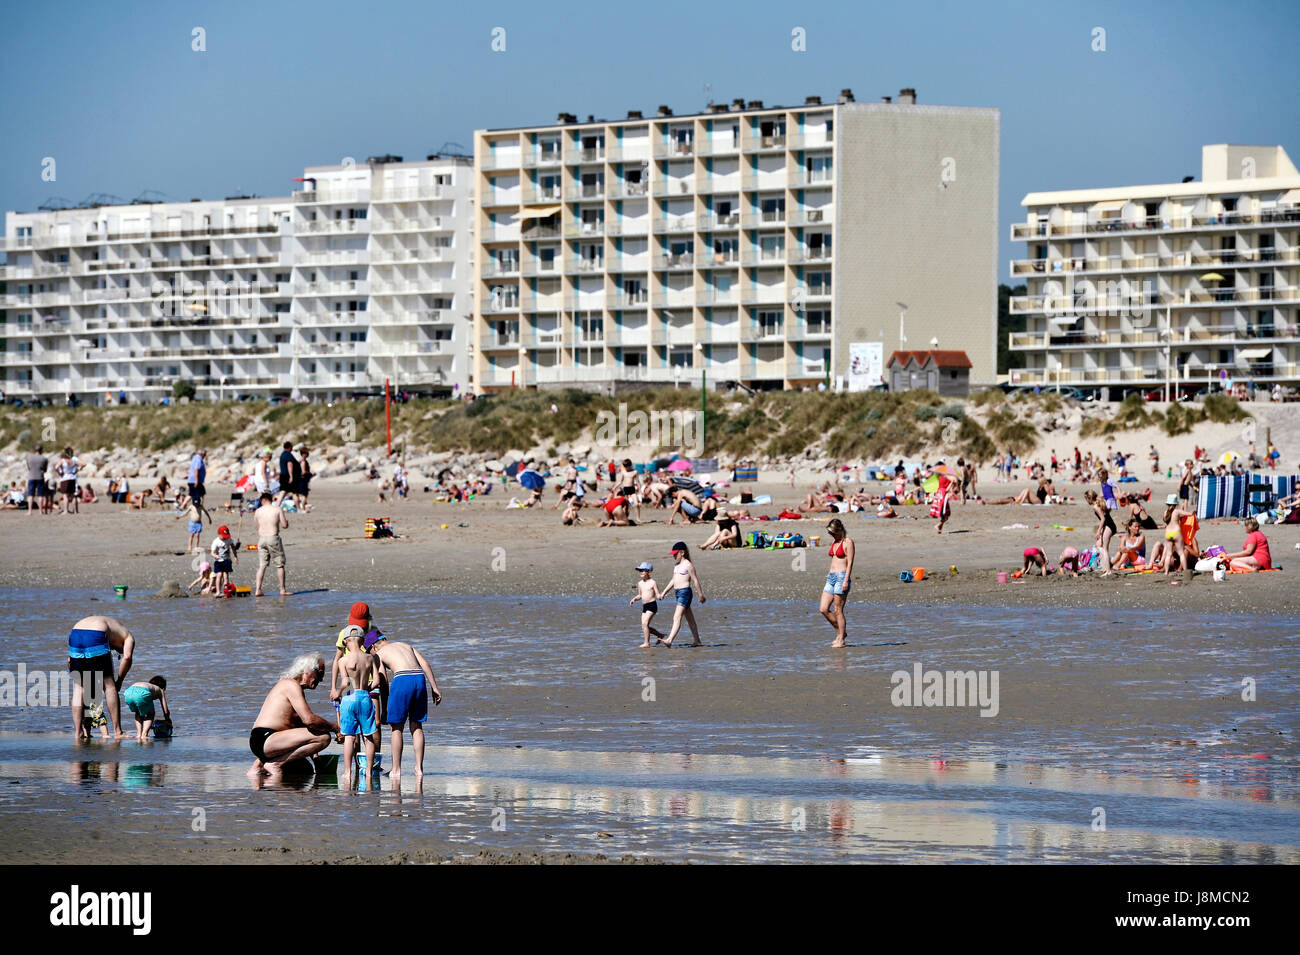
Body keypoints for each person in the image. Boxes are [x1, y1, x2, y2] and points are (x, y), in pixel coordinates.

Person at [364, 629, 442, 781]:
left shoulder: (379, 654)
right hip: (419, 678)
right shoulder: (406, 645)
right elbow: (425, 663)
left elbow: (383, 680)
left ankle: (396, 770)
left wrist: (384, 707)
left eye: (369, 651)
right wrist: (434, 687)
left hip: (402, 679)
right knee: (417, 725)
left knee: (396, 728)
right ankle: (419, 768)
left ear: (373, 646)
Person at [248, 655, 341, 777]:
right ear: (308, 671)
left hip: (266, 741)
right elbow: (310, 720)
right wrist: (335, 728)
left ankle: (259, 766)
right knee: (324, 737)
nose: (321, 679)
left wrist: (316, 759)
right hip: (266, 738)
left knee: (304, 770)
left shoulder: (293, 688)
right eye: (320, 674)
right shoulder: (291, 685)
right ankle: (274, 764)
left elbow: (306, 730)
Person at [67, 615, 136, 739]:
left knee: (79, 687)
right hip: (96, 634)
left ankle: (78, 732)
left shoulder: (114, 625)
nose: (114, 649)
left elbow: (69, 660)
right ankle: (118, 732)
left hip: (75, 632)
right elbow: (127, 657)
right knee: (109, 686)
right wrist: (119, 681)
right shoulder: (128, 636)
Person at [336, 628, 380, 787]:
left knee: (349, 736)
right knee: (368, 736)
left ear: (347, 641)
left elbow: (345, 683)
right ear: (362, 641)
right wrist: (367, 689)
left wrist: (337, 692)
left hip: (350, 699)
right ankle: (368, 771)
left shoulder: (343, 661)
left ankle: (347, 772)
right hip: (365, 698)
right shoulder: (370, 658)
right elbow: (376, 681)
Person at [659, 541, 705, 648]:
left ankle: (669, 640)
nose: (674, 556)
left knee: (677, 616)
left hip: (685, 593)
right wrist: (664, 592)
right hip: (678, 593)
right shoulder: (677, 565)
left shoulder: (688, 565)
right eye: (673, 554)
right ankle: (697, 640)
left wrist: (700, 595)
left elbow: (695, 580)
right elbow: (673, 580)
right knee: (690, 619)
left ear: (682, 552)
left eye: (676, 554)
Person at [820, 518, 854, 648]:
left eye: (833, 532)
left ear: (839, 530)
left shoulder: (848, 542)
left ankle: (841, 639)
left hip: (842, 577)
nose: (831, 535)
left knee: (838, 609)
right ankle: (841, 632)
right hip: (831, 577)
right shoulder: (835, 542)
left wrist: (846, 579)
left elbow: (850, 562)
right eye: (830, 533)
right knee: (823, 609)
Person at [253, 491, 290, 597]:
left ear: (262, 500)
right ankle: (282, 590)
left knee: (262, 566)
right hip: (273, 538)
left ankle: (258, 590)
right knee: (279, 565)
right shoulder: (277, 509)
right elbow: (284, 525)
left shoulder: (258, 511)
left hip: (262, 539)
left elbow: (257, 527)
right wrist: (287, 523)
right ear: (271, 499)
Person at [629, 561, 667, 648]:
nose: (641, 572)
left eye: (643, 570)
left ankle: (647, 643)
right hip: (644, 606)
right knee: (644, 626)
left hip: (652, 605)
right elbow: (640, 595)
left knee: (645, 624)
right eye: (640, 570)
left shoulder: (653, 582)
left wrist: (660, 596)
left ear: (649, 572)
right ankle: (660, 635)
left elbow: (657, 594)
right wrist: (634, 599)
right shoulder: (640, 583)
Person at [122, 676, 170, 742]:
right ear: (164, 688)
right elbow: (166, 711)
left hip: (128, 692)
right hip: (142, 693)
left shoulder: (148, 685)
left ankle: (139, 734)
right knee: (150, 714)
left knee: (138, 712)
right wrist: (168, 720)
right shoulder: (160, 690)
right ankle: (144, 734)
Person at [1084, 490, 1116, 576]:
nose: (1086, 501)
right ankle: (1105, 567)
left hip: (1109, 527)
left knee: (1104, 549)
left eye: (1086, 499)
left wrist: (1098, 531)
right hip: (1109, 526)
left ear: (1090, 498)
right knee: (1098, 545)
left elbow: (1103, 519)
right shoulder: (1100, 503)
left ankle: (1108, 570)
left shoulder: (1096, 506)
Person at [210, 525, 237, 596]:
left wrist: (235, 556)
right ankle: (218, 591)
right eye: (223, 536)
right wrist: (216, 556)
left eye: (226, 536)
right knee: (219, 575)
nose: (225, 537)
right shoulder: (216, 541)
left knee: (226, 575)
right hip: (218, 561)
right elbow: (212, 553)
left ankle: (226, 591)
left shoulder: (229, 539)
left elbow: (233, 547)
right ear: (219, 534)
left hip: (227, 560)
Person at [25, 444, 49, 518]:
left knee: (30, 495)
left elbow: (28, 467)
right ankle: (40, 511)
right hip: (40, 477)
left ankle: (29, 511)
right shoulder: (44, 458)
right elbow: (45, 470)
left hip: (31, 476)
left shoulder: (29, 457)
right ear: (41, 450)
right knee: (40, 495)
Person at [56, 447, 80, 515]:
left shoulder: (63, 460)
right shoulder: (73, 460)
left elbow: (56, 467)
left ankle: (66, 510)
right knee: (73, 495)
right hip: (72, 478)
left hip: (65, 478)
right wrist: (77, 471)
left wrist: (60, 473)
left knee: (65, 495)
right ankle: (75, 511)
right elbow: (83, 464)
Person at [296, 446, 313, 511]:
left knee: (302, 494)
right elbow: (303, 472)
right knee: (304, 495)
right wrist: (309, 473)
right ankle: (302, 508)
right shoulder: (303, 461)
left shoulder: (300, 461)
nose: (308, 454)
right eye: (307, 453)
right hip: (303, 479)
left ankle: (301, 507)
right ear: (304, 454)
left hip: (301, 479)